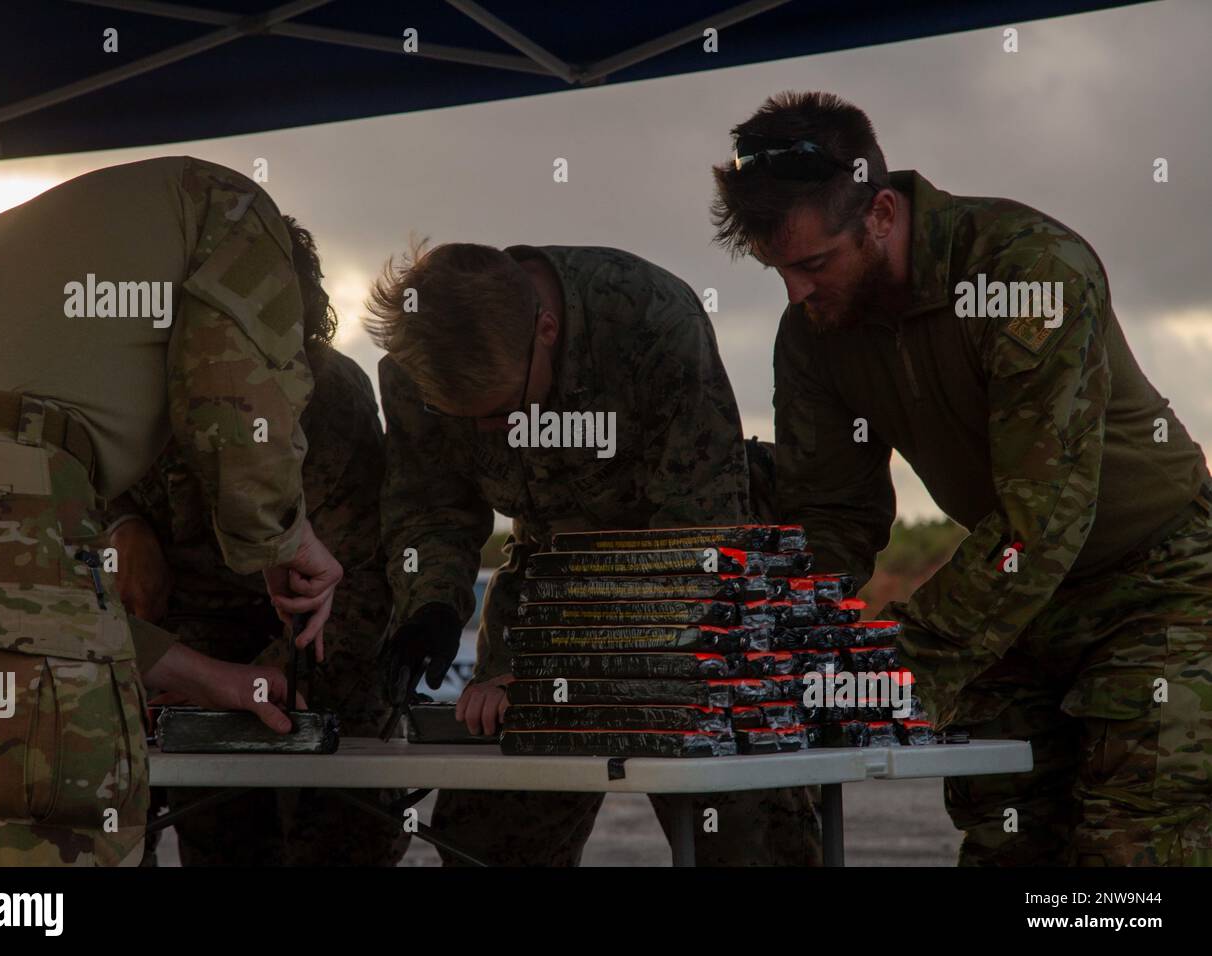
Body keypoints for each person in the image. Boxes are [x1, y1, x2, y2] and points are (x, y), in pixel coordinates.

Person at [712, 90, 1212, 865]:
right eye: (778, 271)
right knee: (1005, 844)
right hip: (1010, 604)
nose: (796, 294)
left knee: (1132, 853)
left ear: (880, 212)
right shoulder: (814, 334)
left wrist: (902, 666)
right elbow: (831, 517)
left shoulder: (1029, 272)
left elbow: (1041, 518)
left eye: (813, 264)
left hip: (1160, 583)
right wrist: (788, 654)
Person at [365, 239, 821, 866]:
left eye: (502, 411)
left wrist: (565, 674)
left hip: (694, 607)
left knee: (746, 835)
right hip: (544, 591)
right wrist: (433, 605)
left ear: (546, 331)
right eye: (463, 417)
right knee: (489, 843)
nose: (491, 432)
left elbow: (697, 546)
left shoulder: (654, 321)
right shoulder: (418, 368)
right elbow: (430, 507)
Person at [0, 156, 343, 865]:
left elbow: (11, 611)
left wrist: (218, 681)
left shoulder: (24, 256)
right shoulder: (230, 207)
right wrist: (282, 540)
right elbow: (236, 404)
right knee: (48, 842)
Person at [111, 230, 406, 863]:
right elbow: (80, 487)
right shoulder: (132, 388)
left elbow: (356, 580)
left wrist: (259, 679)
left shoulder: (329, 400)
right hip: (182, 635)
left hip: (314, 637)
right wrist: (121, 525)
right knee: (217, 829)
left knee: (341, 823)